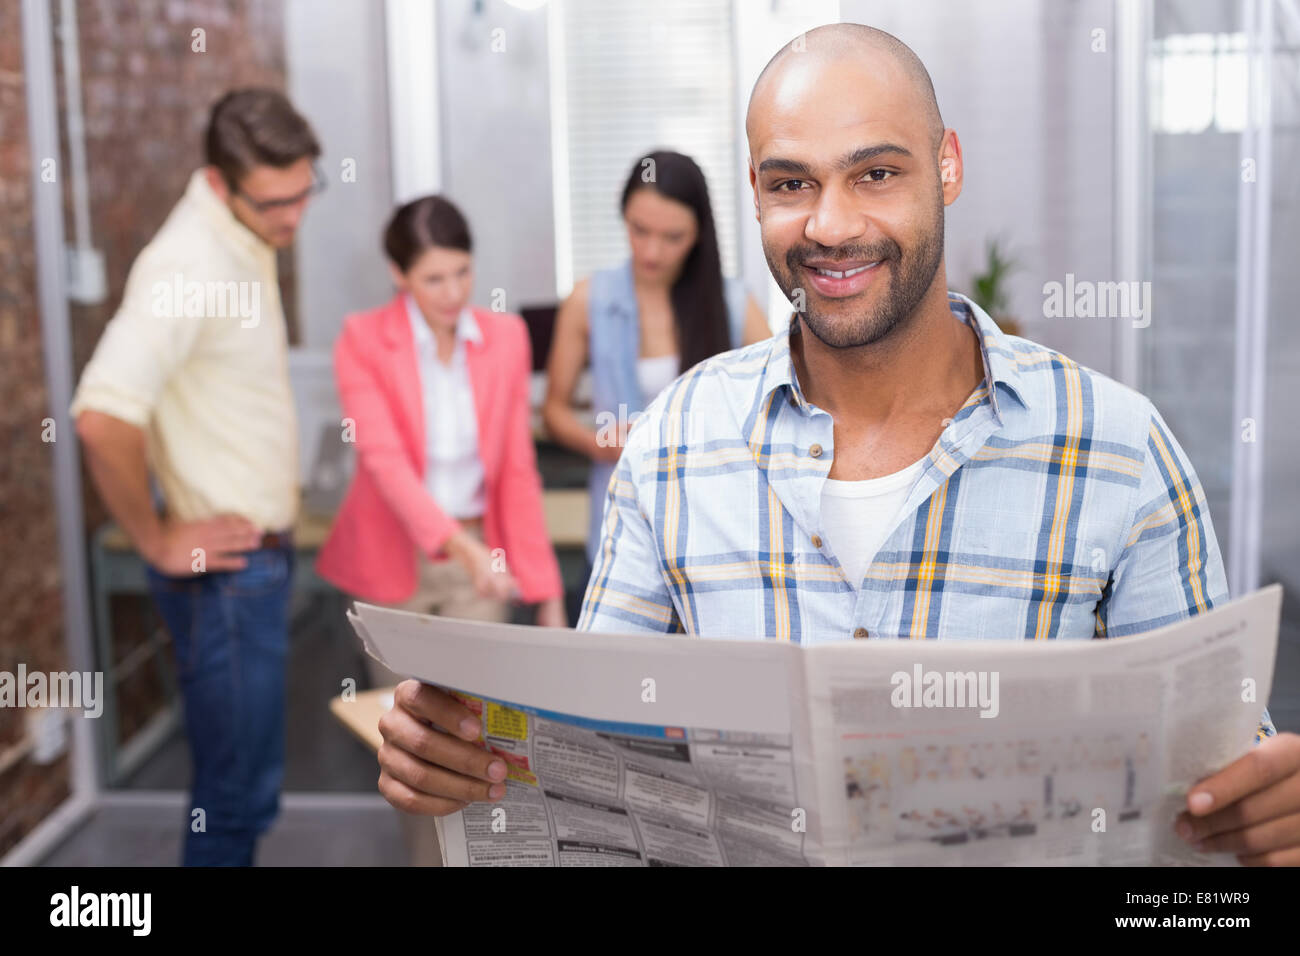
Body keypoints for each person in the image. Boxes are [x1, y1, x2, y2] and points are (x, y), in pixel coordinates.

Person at [373, 25, 1300, 865]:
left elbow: (1221, 791)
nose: (830, 225)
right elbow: (587, 764)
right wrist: (464, 763)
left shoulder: (1120, 450)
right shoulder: (673, 445)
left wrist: (1270, 815)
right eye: (791, 184)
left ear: (948, 167)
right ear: (756, 195)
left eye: (876, 174)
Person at [71, 88, 323, 866]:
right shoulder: (190, 263)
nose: (294, 219)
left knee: (243, 789)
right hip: (227, 576)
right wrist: (155, 537)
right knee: (232, 797)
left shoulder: (242, 235)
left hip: (250, 566)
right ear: (219, 184)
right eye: (274, 202)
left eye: (306, 192)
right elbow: (102, 414)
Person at [316, 195, 566, 631]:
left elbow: (517, 469)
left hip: (479, 554)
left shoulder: (507, 339)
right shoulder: (362, 340)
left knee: (473, 696)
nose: (453, 293)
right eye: (433, 279)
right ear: (399, 274)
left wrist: (548, 592)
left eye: (462, 272)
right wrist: (465, 551)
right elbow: (385, 465)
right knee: (397, 697)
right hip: (392, 554)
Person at [542, 149, 770, 579]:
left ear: (700, 233)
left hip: (715, 533)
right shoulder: (589, 300)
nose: (651, 251)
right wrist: (598, 444)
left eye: (672, 237)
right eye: (638, 230)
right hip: (621, 523)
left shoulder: (733, 304)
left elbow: (780, 407)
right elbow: (554, 410)